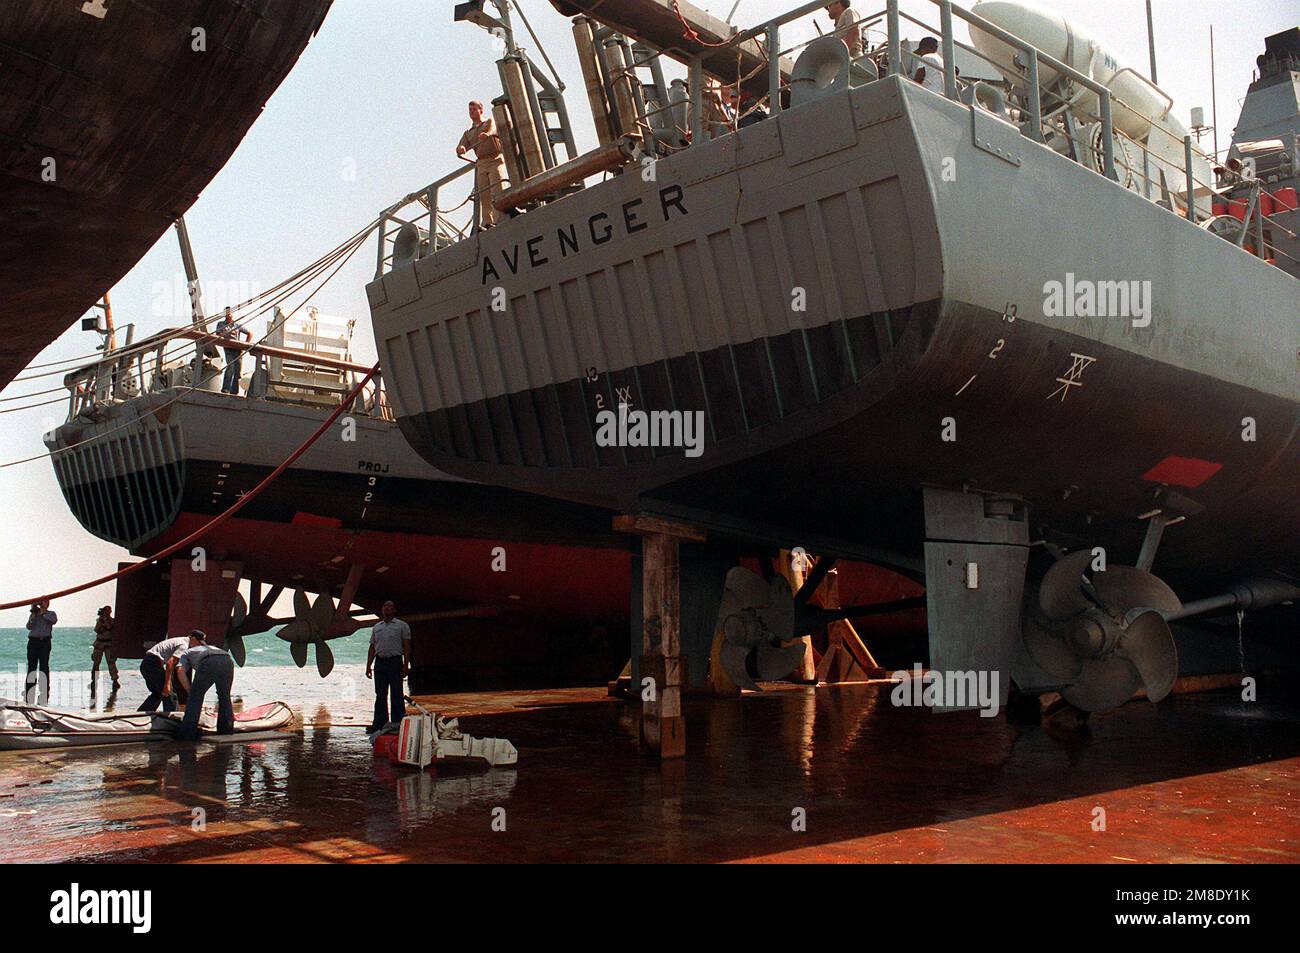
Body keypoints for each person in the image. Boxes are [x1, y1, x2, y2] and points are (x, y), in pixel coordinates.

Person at [168, 630, 235, 742]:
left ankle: (187, 735)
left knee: (195, 699)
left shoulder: (186, 652)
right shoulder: (211, 647)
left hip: (208, 661)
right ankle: (226, 732)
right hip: (227, 660)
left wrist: (190, 690)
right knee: (224, 697)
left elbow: (180, 670)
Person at [456, 100, 508, 228]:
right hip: (482, 163)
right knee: (484, 195)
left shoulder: (488, 122)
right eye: (470, 109)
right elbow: (461, 145)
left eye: (474, 109)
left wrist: (488, 134)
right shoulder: (468, 133)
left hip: (495, 159)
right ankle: (487, 221)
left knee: (498, 189)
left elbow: (494, 129)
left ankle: (501, 217)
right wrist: (461, 149)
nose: (472, 111)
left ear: (481, 110)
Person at [365, 600, 411, 732]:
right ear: (382, 610)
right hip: (380, 662)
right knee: (380, 694)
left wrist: (406, 665)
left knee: (396, 692)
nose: (387, 608)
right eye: (385, 606)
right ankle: (379, 723)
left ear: (394, 610)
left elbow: (407, 646)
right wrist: (368, 666)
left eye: (390, 606)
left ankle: (397, 722)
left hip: (395, 661)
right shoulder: (377, 627)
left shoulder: (402, 626)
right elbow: (372, 647)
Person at [137, 634, 191, 712]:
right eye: (199, 643)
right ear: (193, 638)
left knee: (157, 694)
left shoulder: (178, 640)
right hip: (153, 664)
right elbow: (170, 663)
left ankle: (141, 714)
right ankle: (171, 719)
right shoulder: (184, 645)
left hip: (146, 663)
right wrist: (167, 684)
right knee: (169, 694)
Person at [24, 599, 56, 705]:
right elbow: (29, 627)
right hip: (33, 642)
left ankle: (44, 694)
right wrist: (33, 613)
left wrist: (43, 613)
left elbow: (53, 621)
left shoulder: (51, 614)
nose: (43, 603)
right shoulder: (34, 614)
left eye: (45, 602)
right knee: (31, 668)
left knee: (44, 668)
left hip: (44, 642)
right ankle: (29, 692)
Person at [216, 308, 251, 395]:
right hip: (228, 349)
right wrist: (224, 335)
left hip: (238, 350)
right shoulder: (221, 324)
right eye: (227, 313)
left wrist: (245, 345)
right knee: (230, 367)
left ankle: (234, 391)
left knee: (238, 371)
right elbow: (217, 334)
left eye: (230, 313)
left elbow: (250, 333)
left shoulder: (237, 325)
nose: (228, 315)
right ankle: (225, 389)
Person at [90, 605, 119, 694]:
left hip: (108, 644)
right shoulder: (100, 620)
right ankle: (94, 680)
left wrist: (105, 621)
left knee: (111, 663)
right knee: (96, 663)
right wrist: (101, 620)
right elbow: (97, 630)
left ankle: (115, 680)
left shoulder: (112, 621)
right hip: (99, 643)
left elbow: (110, 627)